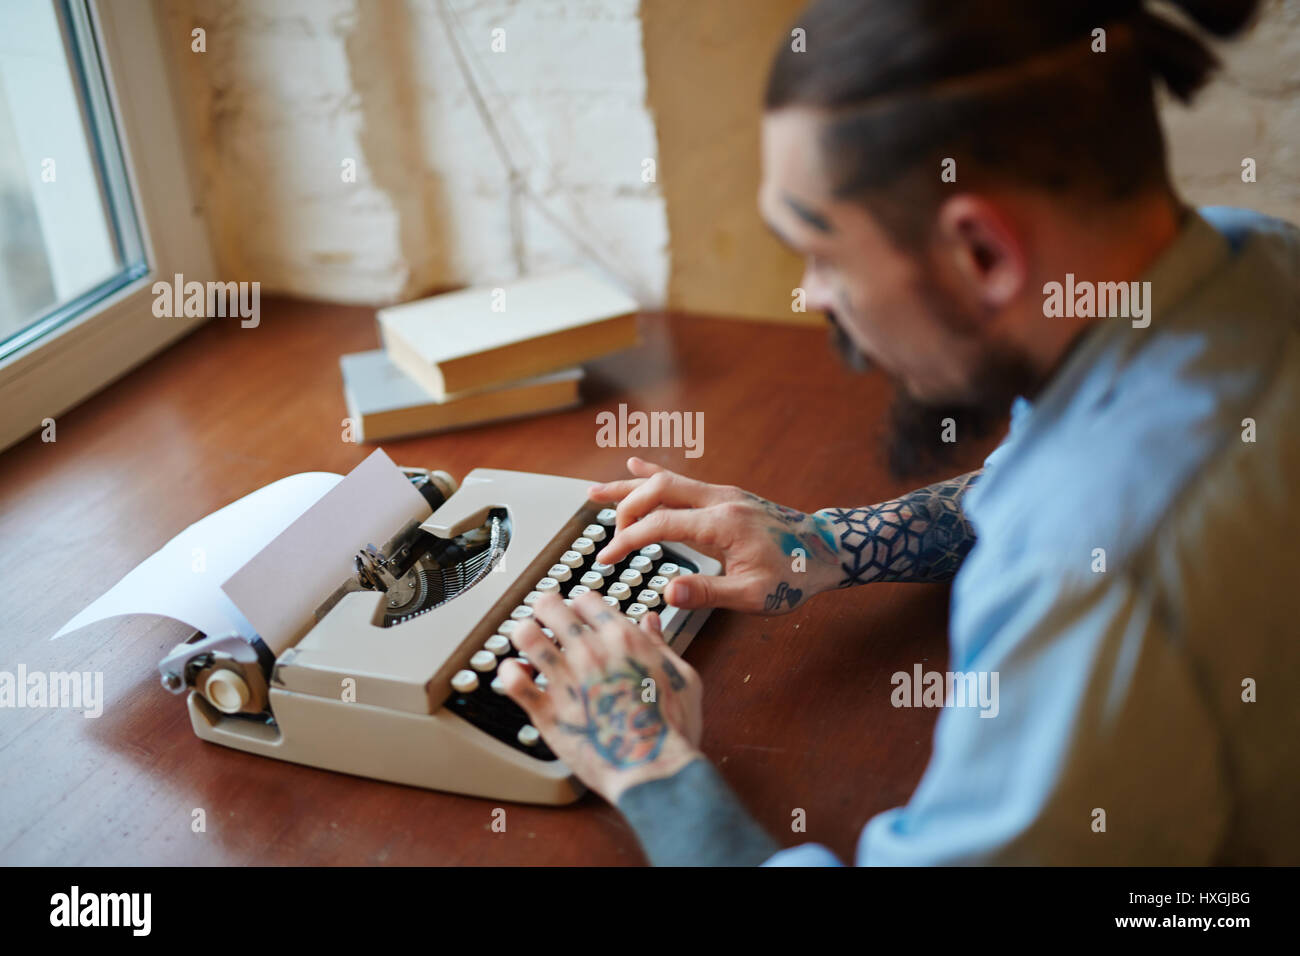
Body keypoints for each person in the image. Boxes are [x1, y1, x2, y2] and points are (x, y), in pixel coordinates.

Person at [499, 0, 1300, 865]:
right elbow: (1064, 462)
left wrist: (651, 767)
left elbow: (1092, 526)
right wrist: (829, 543)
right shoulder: (1253, 257)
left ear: (982, 255)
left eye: (822, 253)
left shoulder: (1090, 573)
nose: (814, 298)